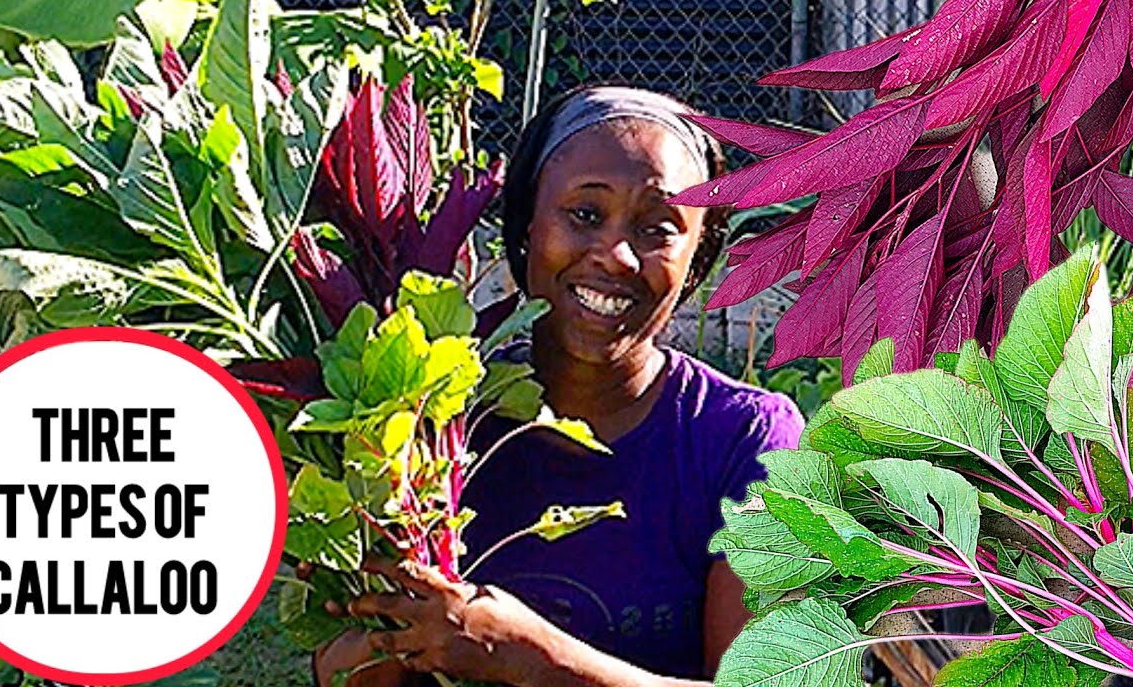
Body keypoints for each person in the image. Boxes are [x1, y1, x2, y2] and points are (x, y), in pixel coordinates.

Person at [313, 85, 804, 686]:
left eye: (659, 228)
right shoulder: (422, 425)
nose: (617, 254)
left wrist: (536, 658)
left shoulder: (743, 441)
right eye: (585, 215)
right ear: (524, 228)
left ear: (698, 260)